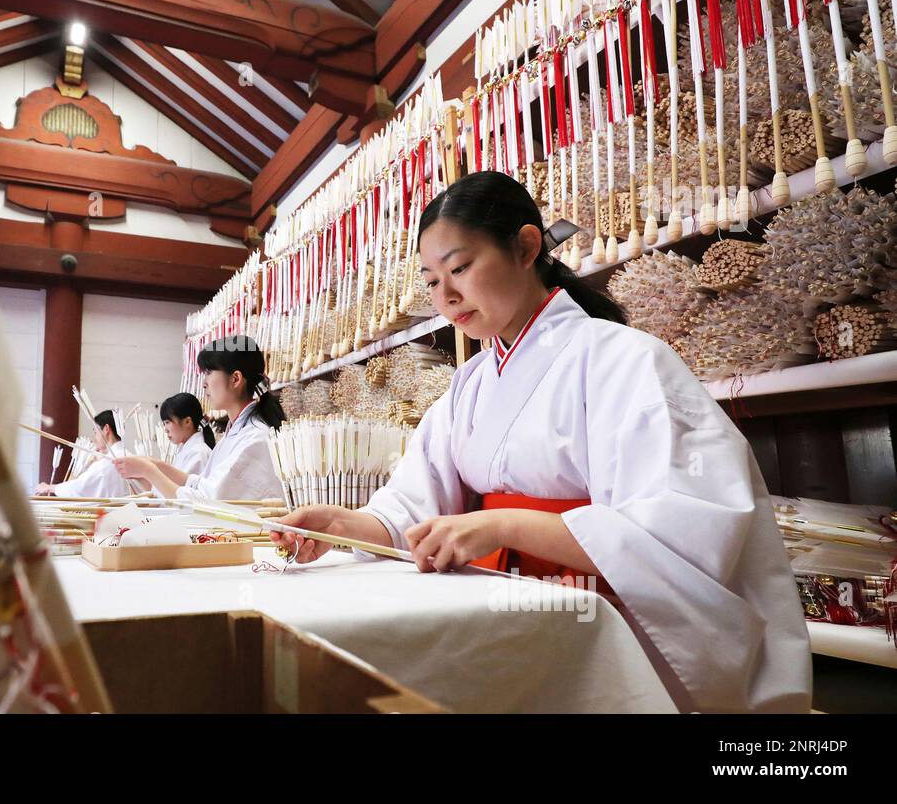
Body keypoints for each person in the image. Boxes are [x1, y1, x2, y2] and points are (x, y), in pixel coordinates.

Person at [270, 171, 811, 713]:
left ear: (526, 247)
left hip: (598, 621)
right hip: (490, 610)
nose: (447, 296)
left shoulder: (626, 359)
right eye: (432, 281)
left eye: (460, 268)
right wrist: (342, 525)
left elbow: (681, 529)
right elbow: (415, 505)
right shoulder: (468, 385)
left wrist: (505, 526)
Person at [115, 335, 285, 501]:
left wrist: (148, 471)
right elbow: (200, 484)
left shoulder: (254, 437)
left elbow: (205, 502)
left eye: (209, 373)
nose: (204, 383)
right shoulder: (237, 432)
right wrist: (155, 465)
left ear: (235, 379)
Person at [34, 410, 128, 498]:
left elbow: (78, 487)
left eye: (95, 432)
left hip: (108, 511)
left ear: (106, 429)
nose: (94, 438)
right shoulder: (130, 457)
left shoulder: (106, 463)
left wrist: (50, 488)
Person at [159, 392, 215, 476]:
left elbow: (179, 484)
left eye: (167, 422)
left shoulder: (199, 453)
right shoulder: (187, 450)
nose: (166, 430)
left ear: (187, 422)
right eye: (164, 424)